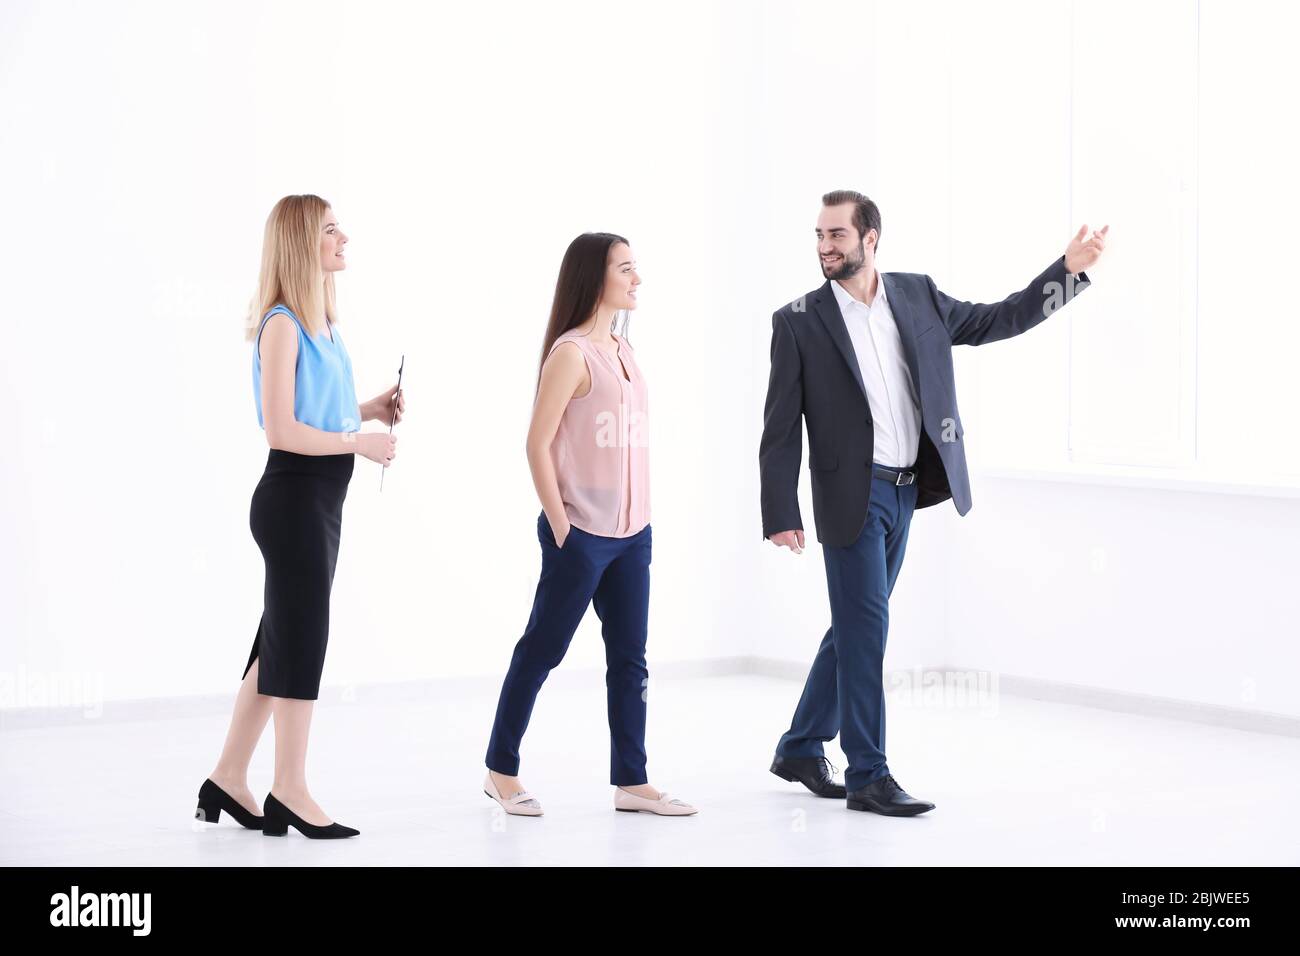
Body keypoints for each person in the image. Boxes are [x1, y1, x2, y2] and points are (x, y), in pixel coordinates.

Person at [760, 190, 1107, 815]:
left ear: (871, 239)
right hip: (851, 495)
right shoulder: (798, 320)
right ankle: (868, 775)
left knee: (854, 626)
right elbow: (779, 427)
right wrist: (780, 510)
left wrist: (1068, 272)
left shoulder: (916, 295)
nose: (824, 247)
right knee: (868, 630)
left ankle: (800, 745)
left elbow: (1002, 318)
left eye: (837, 235)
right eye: (818, 235)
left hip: (906, 489)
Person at [194, 194, 404, 839]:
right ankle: (289, 789)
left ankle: (227, 779)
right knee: (302, 640)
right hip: (292, 499)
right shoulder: (281, 324)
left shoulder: (323, 326)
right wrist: (359, 446)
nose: (344, 238)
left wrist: (369, 409)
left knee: (281, 641)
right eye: (331, 229)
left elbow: (320, 410)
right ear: (301, 244)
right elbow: (282, 429)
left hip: (316, 500)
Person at [483, 232, 696, 817]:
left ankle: (633, 780)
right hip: (581, 536)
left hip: (634, 536)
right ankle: (500, 769)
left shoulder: (626, 351)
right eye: (626, 269)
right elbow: (536, 442)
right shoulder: (571, 354)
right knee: (542, 651)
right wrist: (560, 525)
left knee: (630, 658)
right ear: (594, 278)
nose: (637, 278)